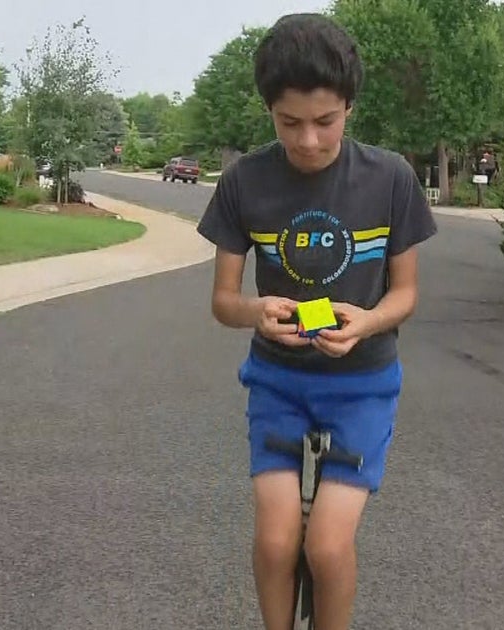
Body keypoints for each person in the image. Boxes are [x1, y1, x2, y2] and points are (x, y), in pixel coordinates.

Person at [195, 12, 438, 630]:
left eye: (325, 122)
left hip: (362, 386)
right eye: (289, 123)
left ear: (350, 107)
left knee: (326, 548)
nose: (307, 140)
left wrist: (368, 321)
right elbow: (224, 302)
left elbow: (405, 295)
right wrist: (256, 311)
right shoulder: (244, 180)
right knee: (278, 542)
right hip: (278, 383)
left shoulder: (391, 179)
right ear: (269, 112)